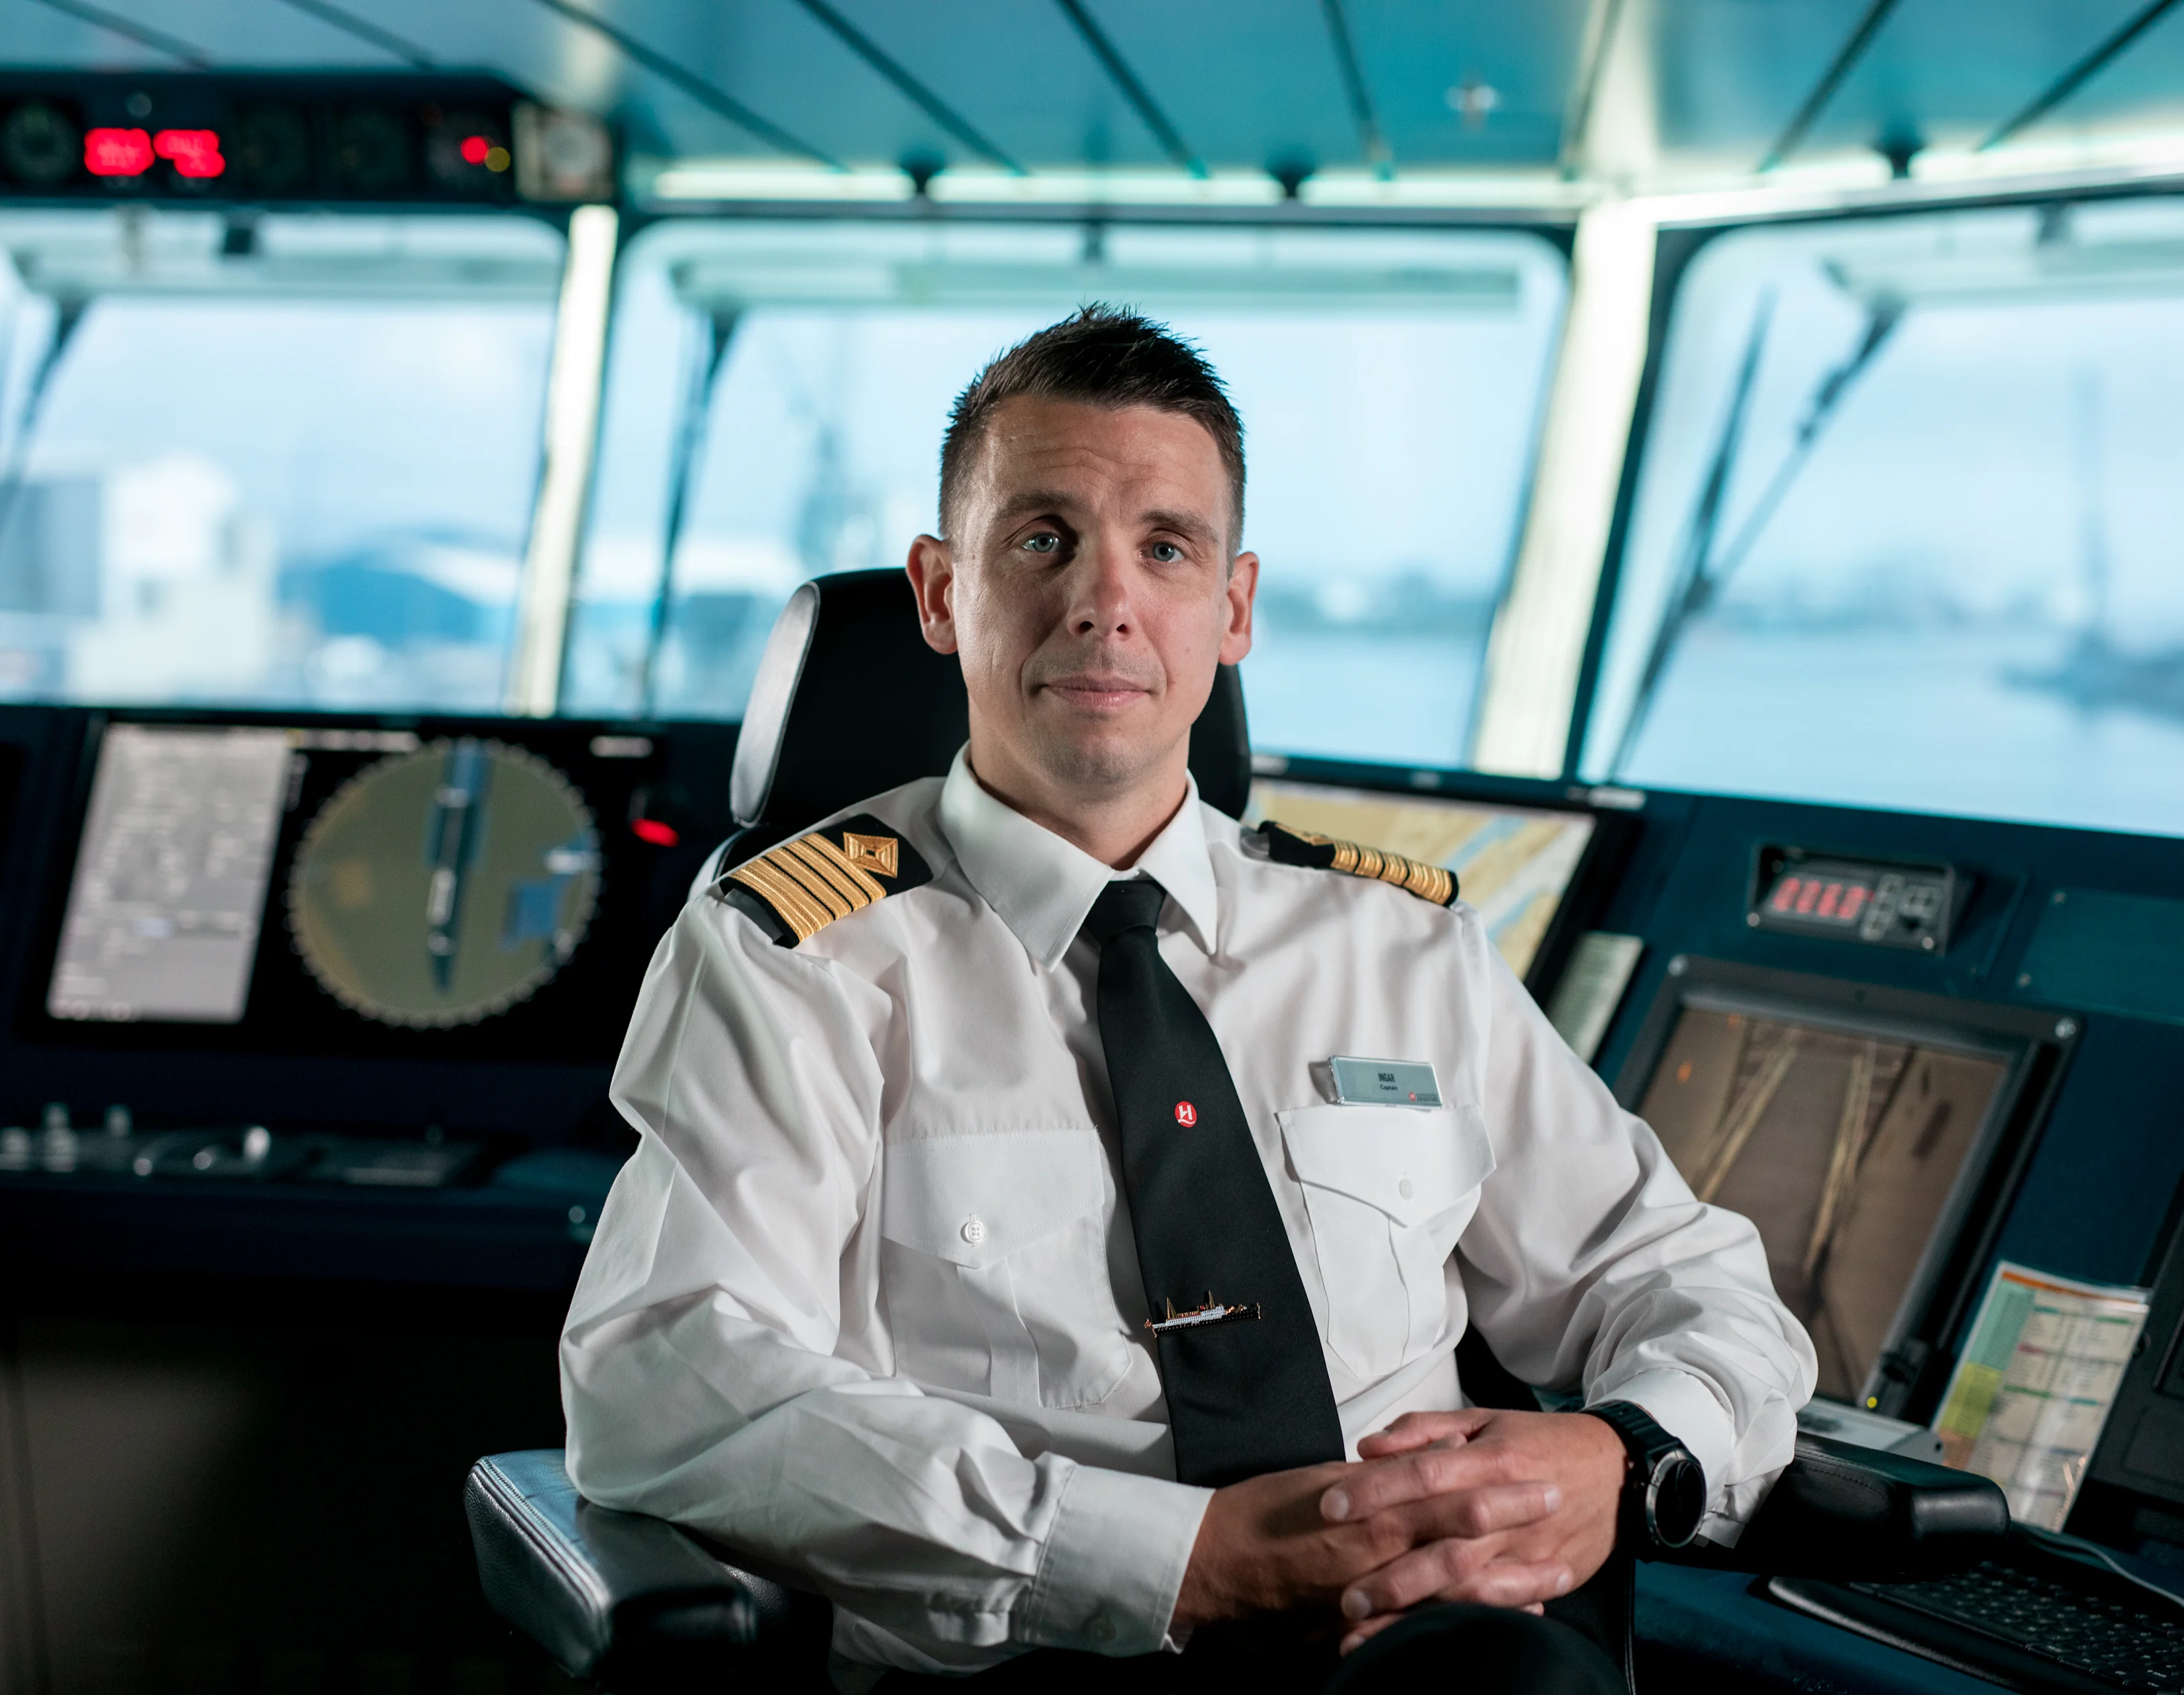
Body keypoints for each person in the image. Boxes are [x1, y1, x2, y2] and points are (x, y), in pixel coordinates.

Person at [562, 307, 1814, 1692]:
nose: (1107, 601)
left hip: (1435, 1657)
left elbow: (1682, 1277)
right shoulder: (794, 959)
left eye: (1167, 547)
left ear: (1233, 607)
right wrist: (1177, 1556)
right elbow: (670, 1376)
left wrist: (1627, 1454)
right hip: (1043, 1658)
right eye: (1042, 540)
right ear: (938, 592)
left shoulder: (1397, 945)